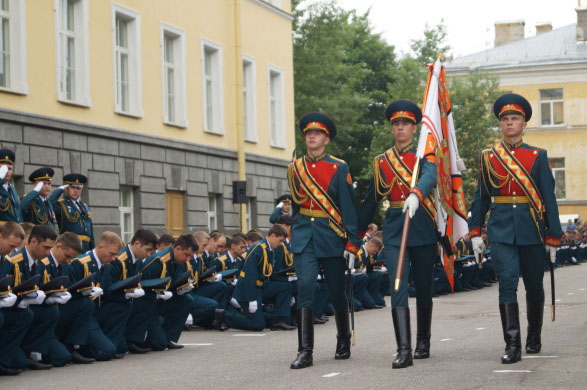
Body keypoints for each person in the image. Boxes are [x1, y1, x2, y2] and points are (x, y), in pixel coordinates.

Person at [469, 93, 564, 364]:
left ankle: (534, 335)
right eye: (506, 119)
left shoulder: (537, 155)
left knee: (534, 286)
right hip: (500, 230)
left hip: (531, 229)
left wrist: (553, 236)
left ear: (524, 124)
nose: (510, 123)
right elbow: (481, 197)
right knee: (507, 285)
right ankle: (513, 344)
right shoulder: (488, 157)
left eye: (516, 119)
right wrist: (475, 231)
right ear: (500, 124)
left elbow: (549, 198)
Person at [358, 100, 438, 368]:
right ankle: (403, 349)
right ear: (392, 129)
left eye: (405, 123)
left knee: (425, 288)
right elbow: (371, 200)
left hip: (423, 225)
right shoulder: (382, 161)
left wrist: (416, 193)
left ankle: (423, 340)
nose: (400, 128)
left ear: (415, 128)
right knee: (397, 286)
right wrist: (354, 236)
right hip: (394, 228)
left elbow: (429, 177)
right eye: (396, 124)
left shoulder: (424, 155)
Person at [288, 112, 362, 369]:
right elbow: (297, 205)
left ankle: (343, 340)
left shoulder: (338, 167)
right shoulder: (295, 167)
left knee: (336, 291)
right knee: (305, 287)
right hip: (304, 237)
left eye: (317, 133)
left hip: (331, 235)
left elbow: (348, 208)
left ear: (326, 139)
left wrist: (353, 242)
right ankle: (305, 351)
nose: (312, 136)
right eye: (308, 133)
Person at [7, 225, 62, 369]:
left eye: (50, 248)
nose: (48, 252)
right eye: (46, 247)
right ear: (33, 242)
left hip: (28, 310)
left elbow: (40, 287)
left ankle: (33, 352)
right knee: (18, 363)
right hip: (12, 311)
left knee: (52, 312)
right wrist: (22, 301)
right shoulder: (13, 261)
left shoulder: (41, 262)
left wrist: (49, 297)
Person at [66, 231, 125, 361]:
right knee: (108, 351)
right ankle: (82, 347)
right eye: (112, 253)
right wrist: (83, 292)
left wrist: (126, 293)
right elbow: (68, 294)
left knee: (124, 305)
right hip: (82, 315)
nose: (114, 258)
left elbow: (107, 291)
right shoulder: (80, 263)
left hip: (97, 310)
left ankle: (103, 343)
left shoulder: (106, 266)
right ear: (100, 247)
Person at [133, 234, 197, 350]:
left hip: (161, 301)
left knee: (187, 300)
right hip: (147, 305)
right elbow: (143, 289)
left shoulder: (180, 262)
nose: (188, 259)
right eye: (187, 255)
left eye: (190, 256)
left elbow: (174, 282)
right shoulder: (158, 262)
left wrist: (182, 289)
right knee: (159, 345)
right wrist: (159, 294)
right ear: (178, 248)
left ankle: (168, 336)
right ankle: (139, 338)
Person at [99, 228, 157, 355]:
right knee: (120, 348)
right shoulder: (119, 259)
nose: (148, 254)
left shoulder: (137, 259)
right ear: (136, 244)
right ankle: (116, 340)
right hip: (110, 304)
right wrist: (126, 294)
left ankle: (133, 339)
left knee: (148, 300)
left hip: (123, 302)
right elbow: (107, 290)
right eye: (147, 250)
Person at [227, 224, 294, 331]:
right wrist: (251, 299)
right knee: (258, 325)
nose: (281, 244)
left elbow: (270, 274)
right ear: (272, 236)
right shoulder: (258, 249)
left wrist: (290, 278)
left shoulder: (270, 248)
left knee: (285, 286)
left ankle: (281, 320)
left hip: (260, 287)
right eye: (280, 240)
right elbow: (249, 275)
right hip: (247, 291)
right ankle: (225, 317)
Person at [0, 222, 32, 375]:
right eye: (11, 246)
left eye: (16, 248)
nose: (12, 251)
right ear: (0, 237)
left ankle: (2, 358)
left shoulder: (6, 261)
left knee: (25, 315)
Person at [52, 173, 95, 252]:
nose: (75, 190)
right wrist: (59, 190)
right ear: (66, 188)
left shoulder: (85, 207)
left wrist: (92, 250)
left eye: (78, 188)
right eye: (72, 187)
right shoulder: (61, 205)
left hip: (86, 249)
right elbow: (49, 204)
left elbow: (91, 234)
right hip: (70, 248)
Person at [0, 149, 23, 223]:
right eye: (3, 168)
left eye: (9, 169)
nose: (7, 171)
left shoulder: (13, 190)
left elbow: (18, 213)